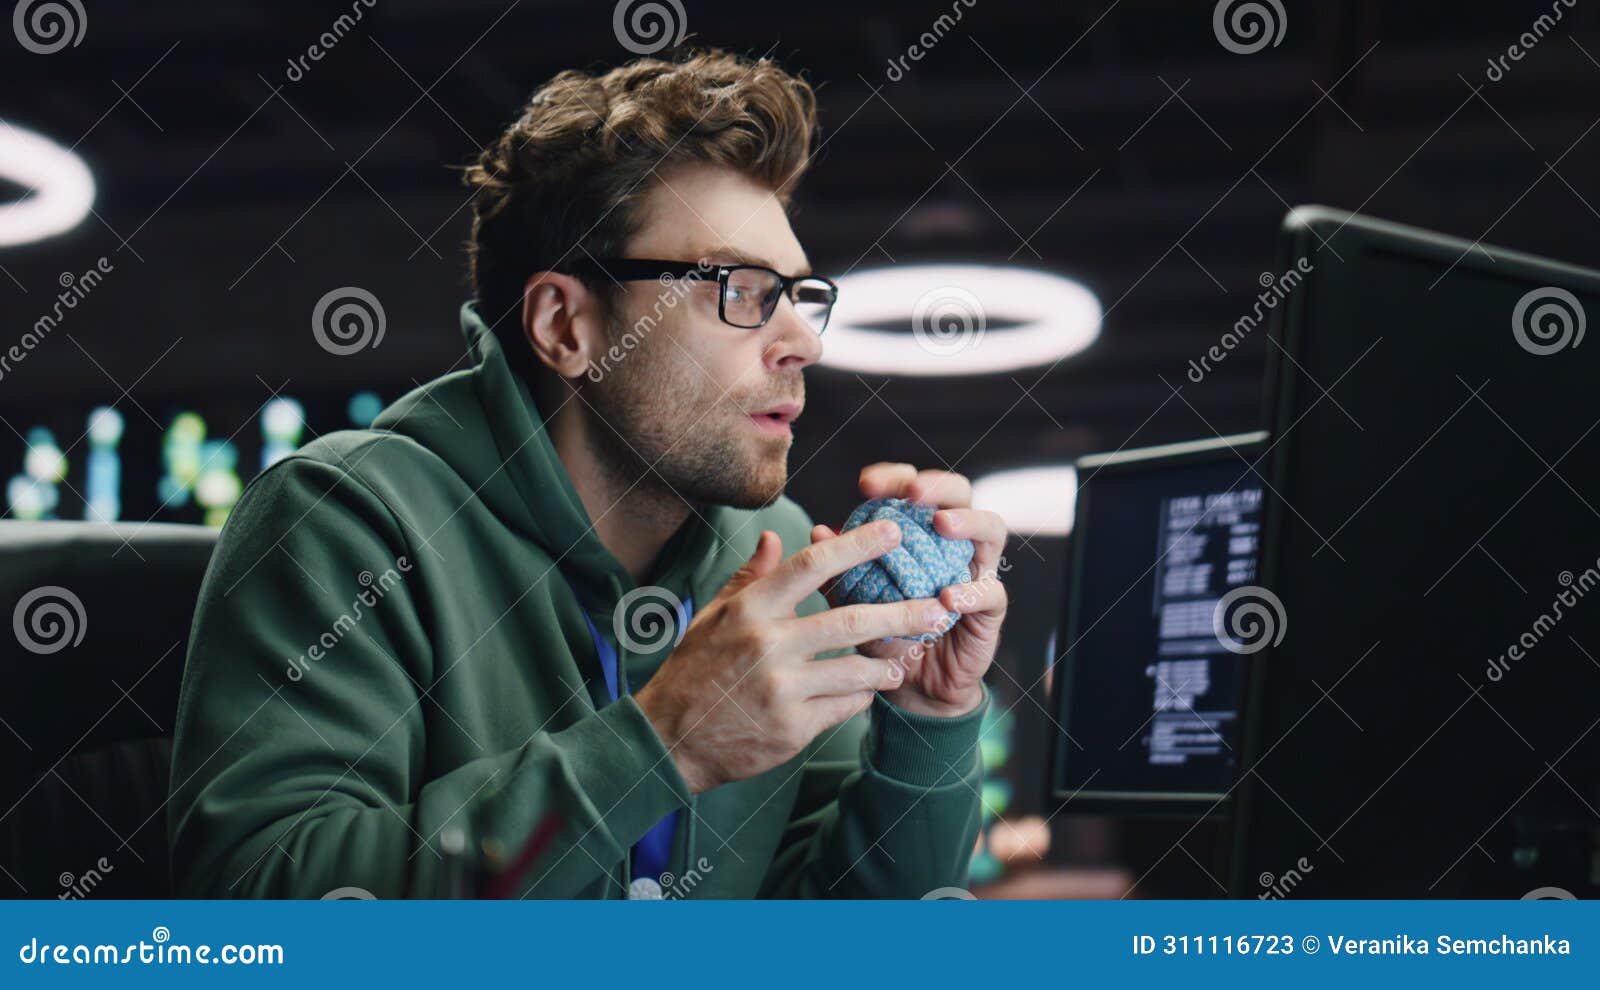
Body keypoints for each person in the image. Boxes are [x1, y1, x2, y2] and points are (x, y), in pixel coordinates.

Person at [167, 48, 1008, 899]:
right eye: (741, 289)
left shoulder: (774, 547)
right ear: (565, 325)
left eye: (799, 294)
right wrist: (662, 743)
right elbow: (261, 909)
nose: (804, 341)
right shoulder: (344, 522)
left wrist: (926, 719)